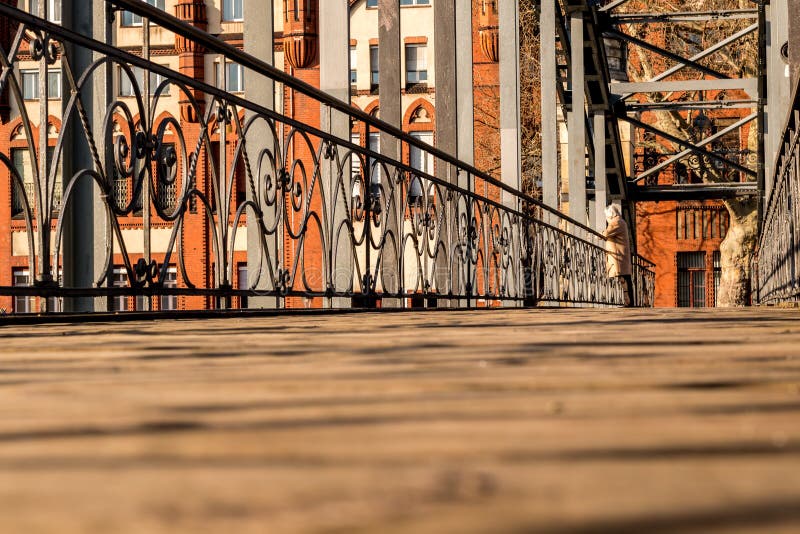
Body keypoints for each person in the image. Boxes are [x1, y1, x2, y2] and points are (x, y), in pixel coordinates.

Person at [602, 204, 634, 307]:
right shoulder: (621, 221)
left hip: (618, 255)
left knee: (623, 279)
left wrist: (601, 232)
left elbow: (606, 234)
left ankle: (628, 302)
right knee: (625, 279)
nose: (606, 219)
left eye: (607, 217)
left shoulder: (616, 222)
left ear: (610, 215)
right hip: (621, 254)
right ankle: (629, 302)